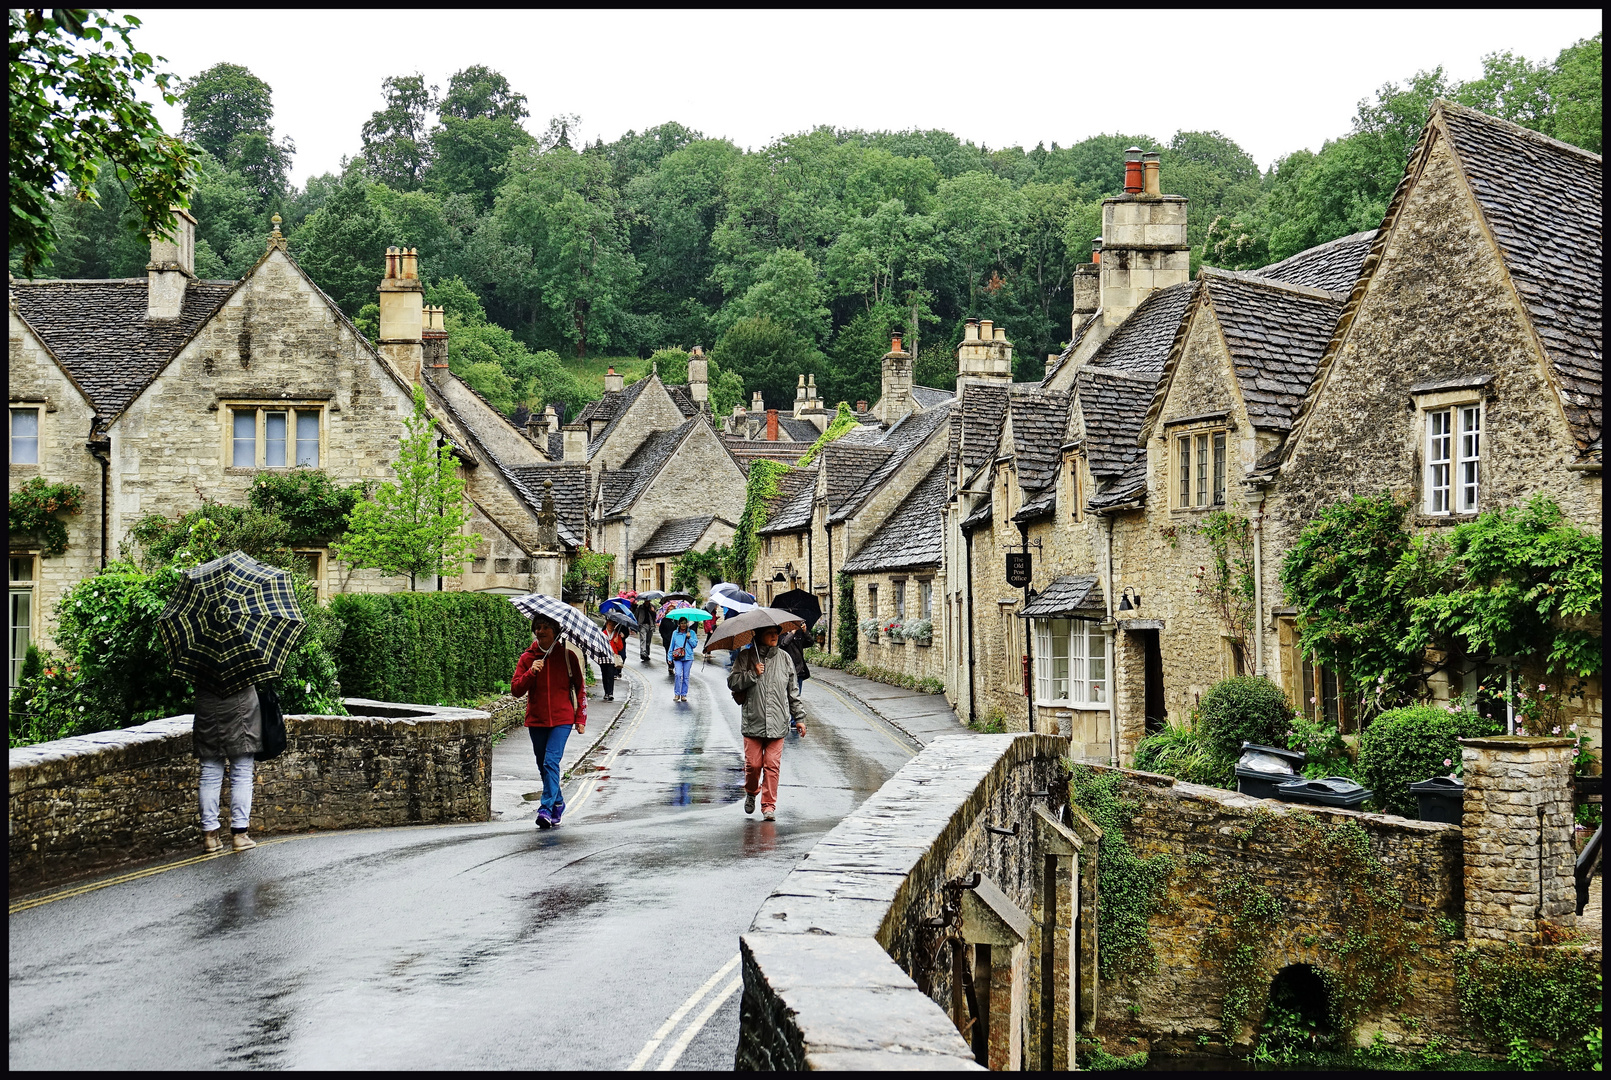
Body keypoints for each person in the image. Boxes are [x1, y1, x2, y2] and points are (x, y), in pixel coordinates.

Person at [511, 614, 588, 829]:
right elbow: (516, 689)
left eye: (545, 627)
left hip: (562, 719)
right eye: (537, 627)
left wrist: (580, 718)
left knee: (550, 762)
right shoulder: (527, 658)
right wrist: (530, 673)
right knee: (542, 766)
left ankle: (545, 808)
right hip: (537, 720)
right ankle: (559, 802)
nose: (540, 631)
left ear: (555, 631)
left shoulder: (567, 657)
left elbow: (580, 689)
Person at [728, 626, 808, 821]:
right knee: (753, 765)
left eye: (777, 633)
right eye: (770, 633)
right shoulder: (746, 657)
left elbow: (792, 691)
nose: (774, 636)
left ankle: (768, 806)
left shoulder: (785, 658)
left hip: (778, 722)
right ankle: (751, 791)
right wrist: (752, 674)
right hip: (753, 721)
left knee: (772, 766)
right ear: (759, 635)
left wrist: (799, 718)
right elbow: (732, 682)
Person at [194, 680, 263, 852]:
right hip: (242, 712)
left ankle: (209, 836)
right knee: (241, 773)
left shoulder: (200, 655)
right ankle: (240, 835)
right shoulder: (243, 654)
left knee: (209, 773)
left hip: (207, 712)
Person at [670, 617, 698, 702]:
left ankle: (683, 695)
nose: (683, 625)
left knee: (686, 677)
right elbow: (671, 645)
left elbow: (694, 645)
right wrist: (669, 657)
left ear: (687, 624)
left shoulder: (691, 633)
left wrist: (689, 638)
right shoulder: (675, 633)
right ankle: (677, 693)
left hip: (688, 657)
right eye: (681, 623)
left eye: (685, 623)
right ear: (679, 624)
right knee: (678, 674)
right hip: (678, 657)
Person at [780, 624, 813, 693]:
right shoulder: (781, 633)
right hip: (786, 670)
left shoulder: (799, 634)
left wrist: (805, 631)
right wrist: (792, 632)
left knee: (797, 696)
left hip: (799, 670)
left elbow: (810, 642)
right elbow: (784, 643)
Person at [601, 623, 626, 701]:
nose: (611, 627)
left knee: (611, 675)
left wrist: (617, 641)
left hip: (613, 657)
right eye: (609, 625)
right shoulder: (602, 634)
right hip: (604, 657)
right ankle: (606, 693)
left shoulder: (616, 635)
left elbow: (620, 648)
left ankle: (611, 693)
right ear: (606, 625)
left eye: (612, 625)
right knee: (605, 675)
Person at [659, 609, 677, 677]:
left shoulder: (676, 620)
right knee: (668, 652)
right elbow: (661, 629)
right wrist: (664, 636)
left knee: (675, 652)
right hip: (666, 639)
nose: (671, 611)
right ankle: (670, 666)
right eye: (669, 610)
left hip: (675, 640)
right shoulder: (664, 620)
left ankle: (674, 664)